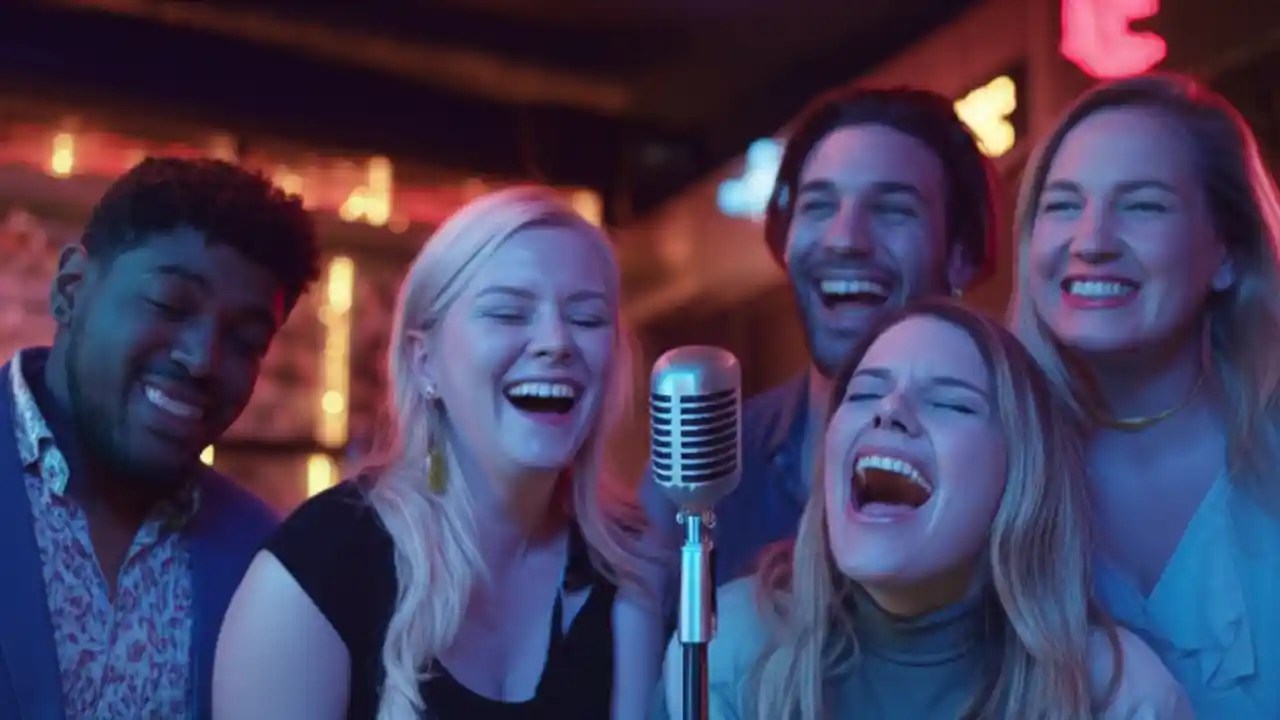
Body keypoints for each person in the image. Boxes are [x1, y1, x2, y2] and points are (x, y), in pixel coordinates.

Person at [212, 186, 665, 719]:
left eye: (587, 319)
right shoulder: (317, 572)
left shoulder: (630, 569)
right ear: (424, 362)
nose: (556, 342)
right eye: (508, 313)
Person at [660, 300, 1191, 719]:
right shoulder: (727, 652)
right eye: (865, 394)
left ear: (1021, 474)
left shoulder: (1119, 698)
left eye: (950, 403)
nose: (890, 412)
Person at [642, 84, 1000, 593]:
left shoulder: (1021, 459)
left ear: (962, 252)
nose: (845, 238)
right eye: (818, 206)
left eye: (893, 209)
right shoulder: (705, 464)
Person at [0, 157, 321, 720]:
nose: (203, 359)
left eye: (246, 340)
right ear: (71, 290)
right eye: (171, 306)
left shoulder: (264, 559)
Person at [1011, 72, 1280, 717]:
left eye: (1144, 205)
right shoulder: (985, 464)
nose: (1092, 241)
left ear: (1227, 254)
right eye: (1063, 204)